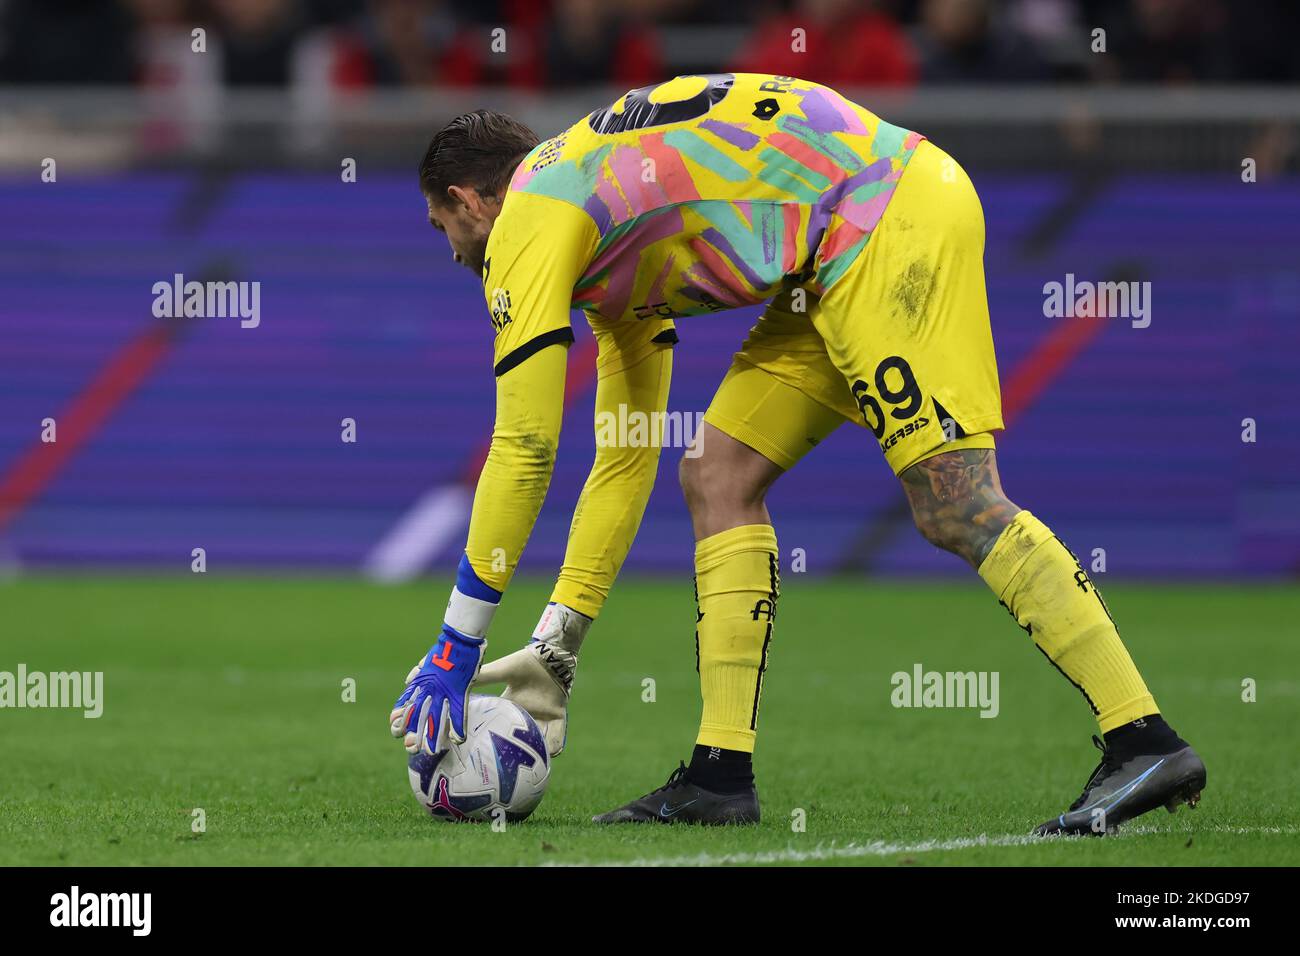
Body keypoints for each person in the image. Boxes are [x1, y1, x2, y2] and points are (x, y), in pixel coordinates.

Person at [389, 73, 1206, 835]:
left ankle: (1142, 737)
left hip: (881, 216)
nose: (455, 253)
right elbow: (624, 455)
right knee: (717, 473)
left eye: (441, 229)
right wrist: (560, 638)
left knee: (955, 501)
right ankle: (718, 775)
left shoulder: (531, 214)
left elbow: (527, 447)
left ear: (469, 201)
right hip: (836, 241)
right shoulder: (596, 224)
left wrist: (456, 645)